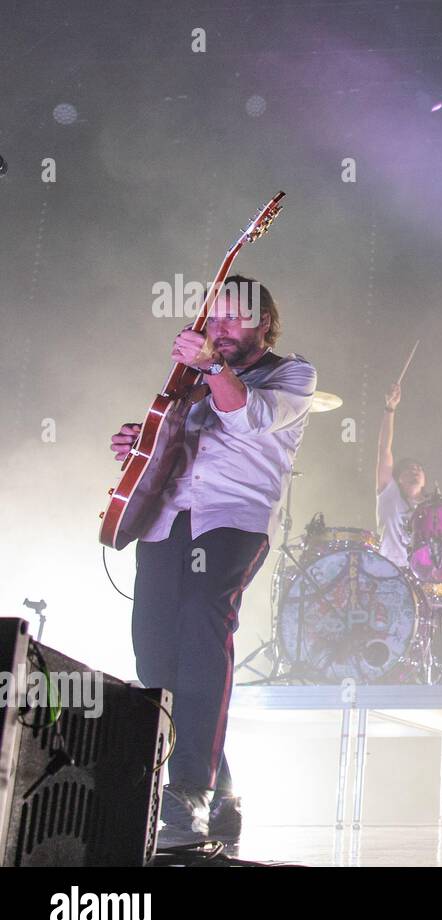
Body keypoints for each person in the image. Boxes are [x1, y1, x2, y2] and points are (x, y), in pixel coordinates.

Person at [109, 275, 316, 843]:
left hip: (231, 522)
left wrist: (212, 368)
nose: (219, 330)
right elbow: (169, 444)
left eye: (233, 320)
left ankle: (188, 795)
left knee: (204, 621)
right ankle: (221, 788)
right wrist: (140, 442)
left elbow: (247, 418)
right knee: (154, 656)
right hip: (168, 520)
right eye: (214, 320)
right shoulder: (193, 382)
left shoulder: (292, 374)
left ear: (264, 324)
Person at [375, 383, 442, 663]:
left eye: (419, 469)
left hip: (423, 573)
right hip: (391, 571)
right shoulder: (388, 495)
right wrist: (390, 409)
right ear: (397, 477)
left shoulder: (431, 509)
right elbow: (383, 449)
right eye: (408, 469)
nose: (415, 472)